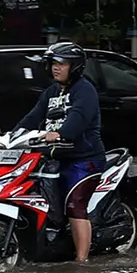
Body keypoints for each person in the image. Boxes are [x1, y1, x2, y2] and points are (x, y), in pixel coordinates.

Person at [16, 41, 105, 261]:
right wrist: (14, 135)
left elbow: (79, 118)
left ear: (74, 66)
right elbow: (33, 116)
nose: (56, 67)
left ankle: (81, 263)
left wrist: (61, 133)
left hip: (85, 160)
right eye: (54, 63)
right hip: (55, 158)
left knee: (75, 205)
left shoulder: (85, 90)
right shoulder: (51, 92)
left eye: (62, 63)